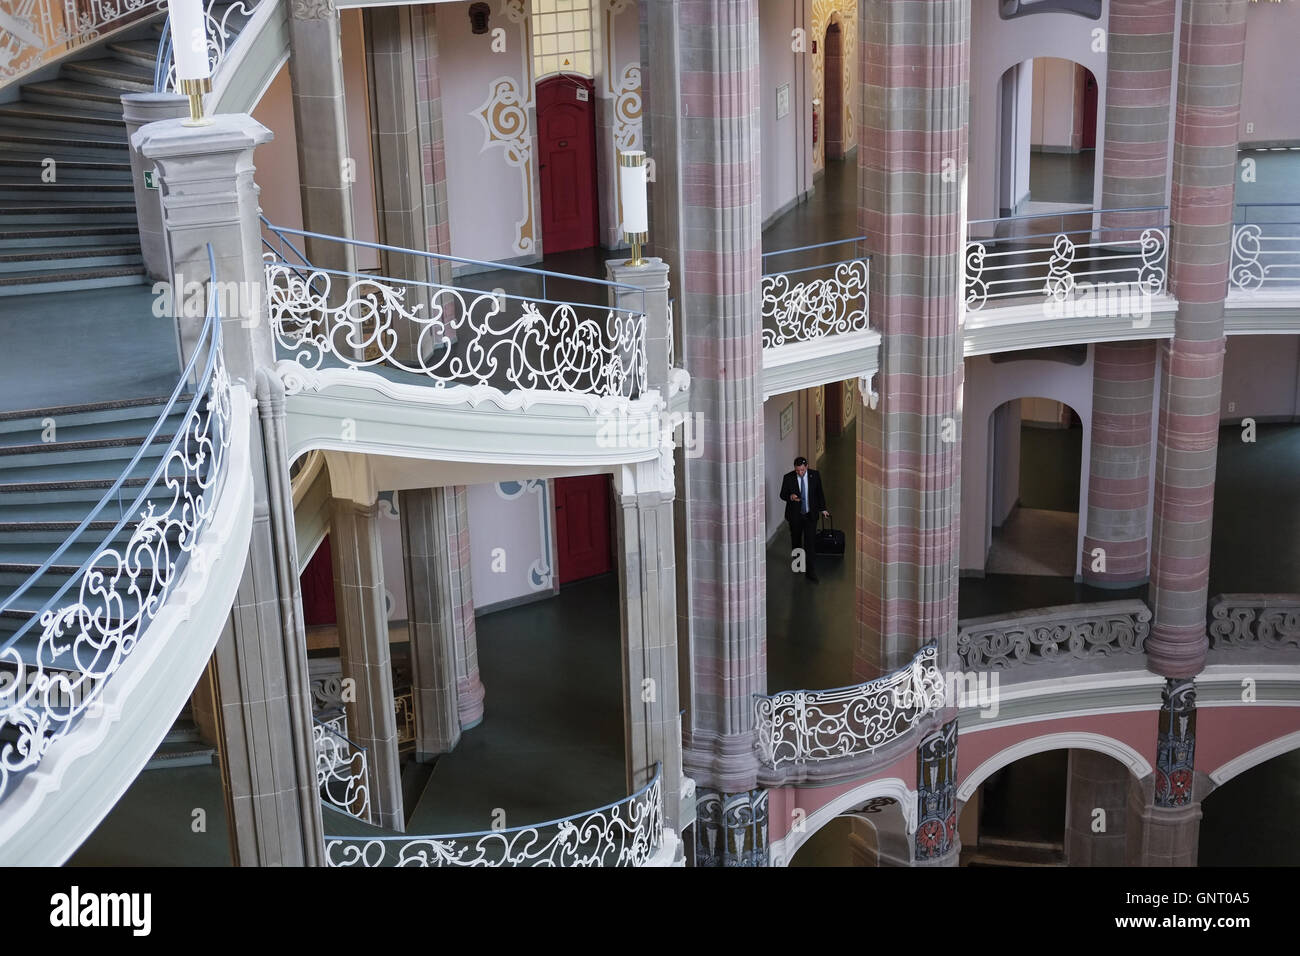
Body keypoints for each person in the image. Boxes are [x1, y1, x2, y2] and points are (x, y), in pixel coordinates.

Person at [779, 455, 829, 582]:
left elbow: (819, 493)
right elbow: (782, 495)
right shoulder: (788, 477)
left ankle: (810, 571)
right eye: (797, 470)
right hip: (795, 515)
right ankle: (798, 565)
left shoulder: (815, 475)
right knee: (796, 540)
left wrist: (823, 509)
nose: (800, 473)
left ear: (806, 466)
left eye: (802, 470)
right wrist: (790, 497)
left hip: (810, 515)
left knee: (810, 543)